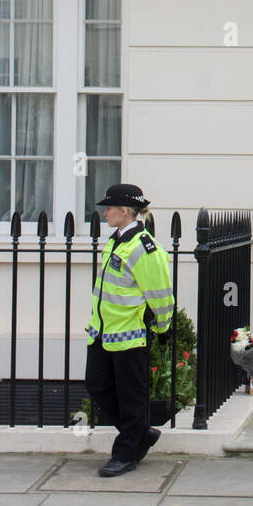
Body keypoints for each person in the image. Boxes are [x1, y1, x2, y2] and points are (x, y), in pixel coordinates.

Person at [85, 183, 175, 477]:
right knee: (96, 386)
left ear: (124, 211)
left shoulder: (145, 249)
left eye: (109, 208)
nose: (105, 213)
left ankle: (125, 454)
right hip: (102, 332)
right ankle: (140, 434)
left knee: (131, 396)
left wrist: (163, 328)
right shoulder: (116, 241)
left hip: (129, 335)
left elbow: (160, 295)